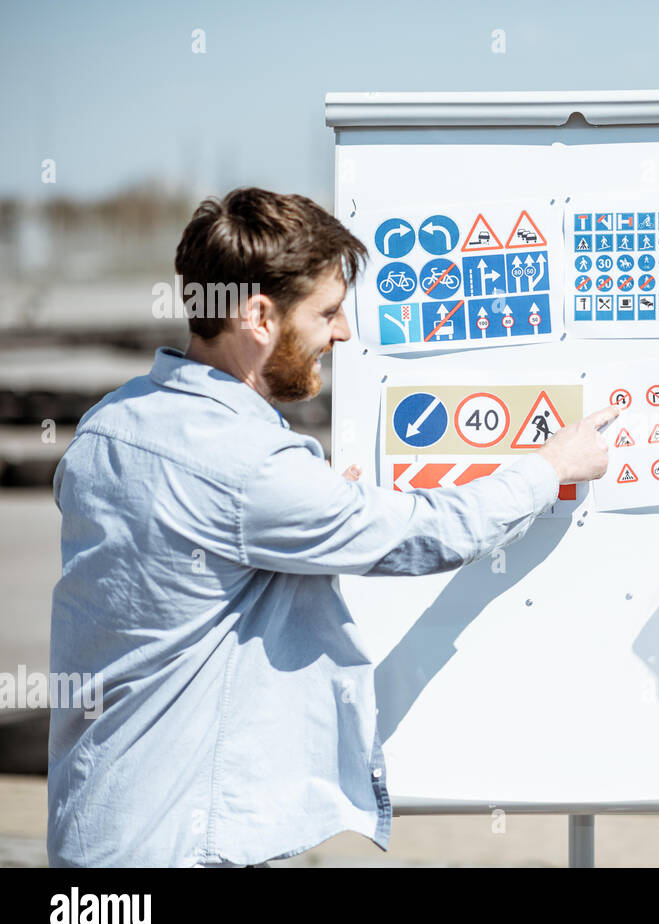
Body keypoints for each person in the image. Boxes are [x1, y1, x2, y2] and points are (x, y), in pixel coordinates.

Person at [47, 187, 618, 867]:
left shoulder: (111, 423)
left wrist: (309, 509)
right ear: (258, 316)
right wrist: (550, 465)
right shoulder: (251, 466)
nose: (343, 333)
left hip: (93, 833)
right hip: (180, 846)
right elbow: (427, 532)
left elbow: (186, 567)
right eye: (327, 312)